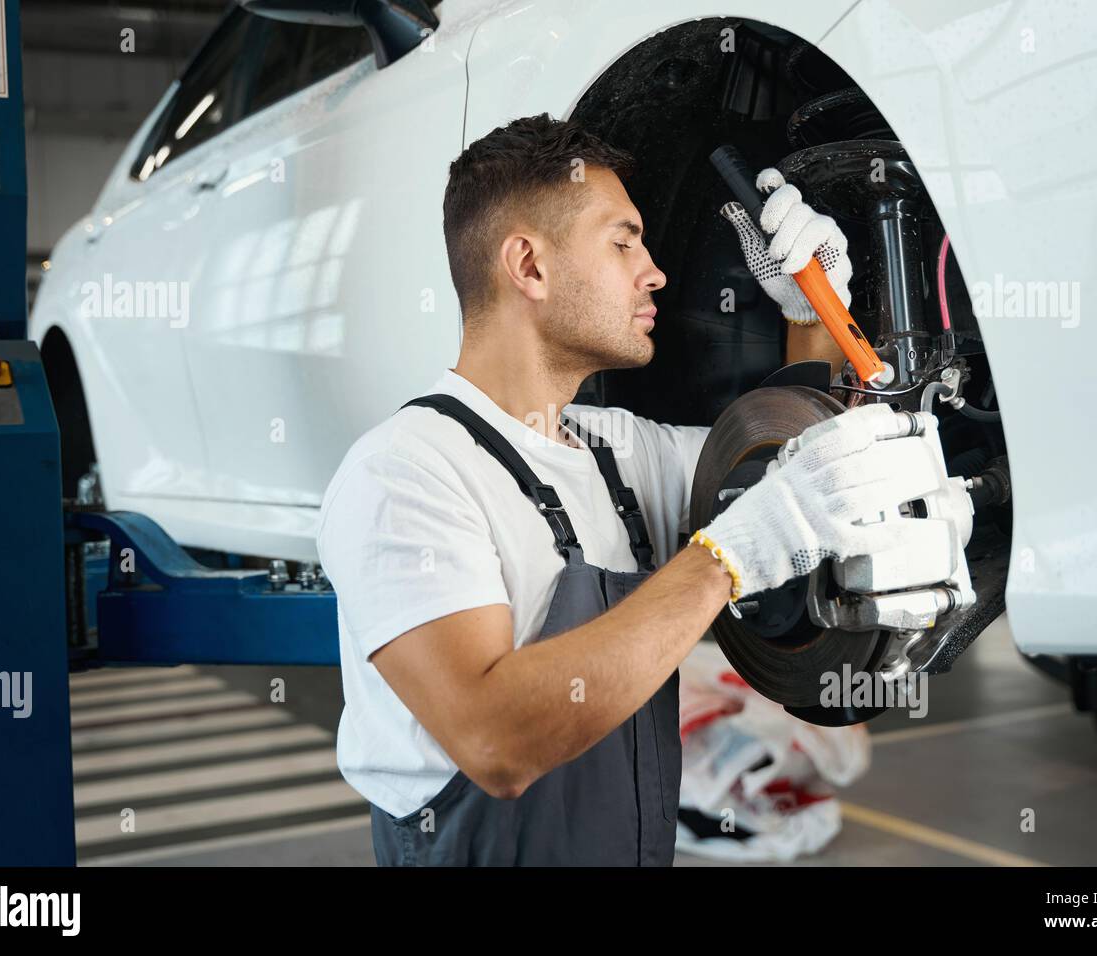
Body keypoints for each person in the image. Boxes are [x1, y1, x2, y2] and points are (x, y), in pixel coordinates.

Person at [316, 114, 948, 866]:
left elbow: (789, 467)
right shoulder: (406, 469)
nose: (655, 273)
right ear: (529, 266)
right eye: (624, 243)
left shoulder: (618, 450)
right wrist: (725, 559)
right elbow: (495, 742)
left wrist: (813, 315)